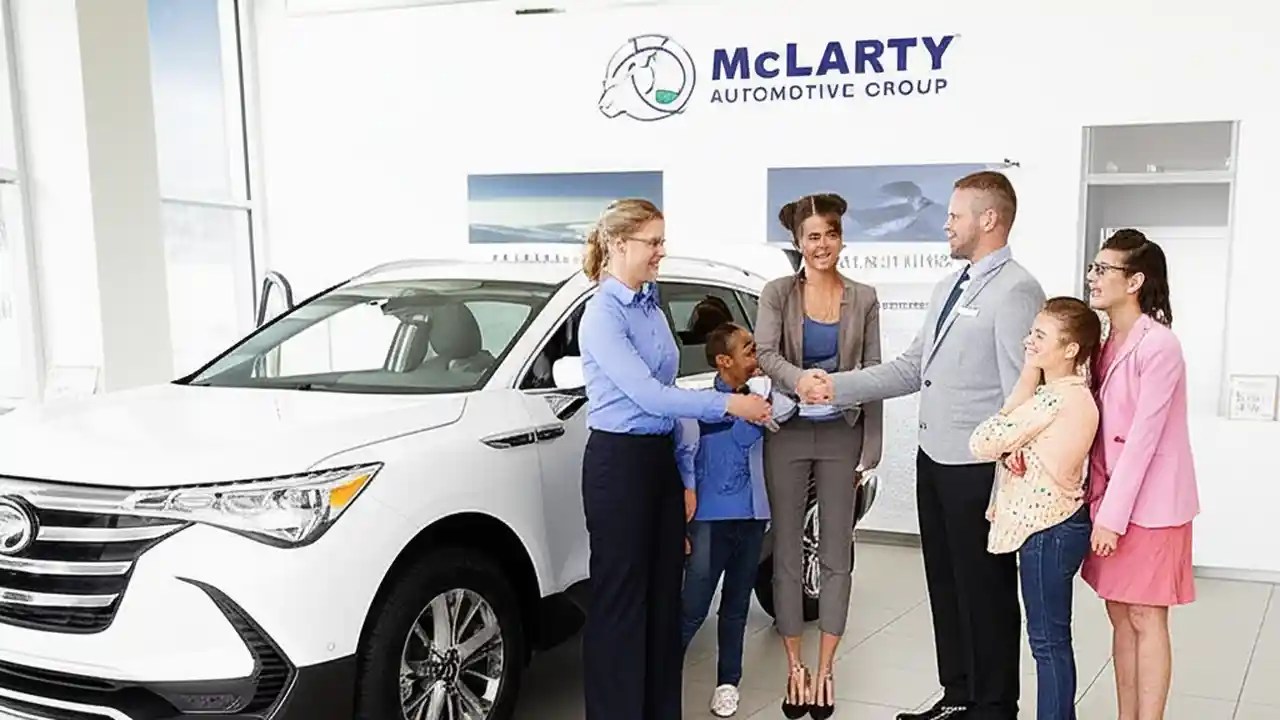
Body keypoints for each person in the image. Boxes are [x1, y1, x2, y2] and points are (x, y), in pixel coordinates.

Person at [803, 171, 1045, 720]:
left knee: (985, 592)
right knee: (946, 584)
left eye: (956, 215)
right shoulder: (949, 286)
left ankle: (993, 707)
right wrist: (836, 385)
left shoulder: (1017, 289)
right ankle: (958, 696)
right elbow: (913, 368)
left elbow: (1021, 390)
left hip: (978, 468)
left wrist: (1011, 476)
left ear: (989, 219)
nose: (946, 224)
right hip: (935, 462)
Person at [576, 198, 773, 720]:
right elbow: (652, 396)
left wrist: (685, 475)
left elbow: (668, 390)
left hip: (659, 463)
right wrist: (732, 402)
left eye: (662, 241)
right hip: (619, 465)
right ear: (618, 245)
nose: (662, 252)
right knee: (622, 605)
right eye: (653, 243)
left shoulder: (651, 303)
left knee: (665, 601)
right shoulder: (601, 314)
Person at [754, 192, 883, 719]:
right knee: (785, 554)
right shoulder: (778, 292)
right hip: (785, 433)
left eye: (830, 233)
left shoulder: (866, 297)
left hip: (841, 435)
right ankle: (794, 666)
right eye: (812, 236)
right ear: (798, 243)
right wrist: (797, 379)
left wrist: (871, 447)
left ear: (841, 238)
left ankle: (826, 667)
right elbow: (765, 353)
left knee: (836, 553)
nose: (822, 243)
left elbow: (874, 370)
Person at [1082, 229, 1198, 720]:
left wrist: (1112, 516)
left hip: (1150, 507)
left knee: (1147, 615)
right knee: (1118, 613)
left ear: (1135, 281)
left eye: (1102, 270)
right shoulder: (1105, 344)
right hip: (1107, 498)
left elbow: (1144, 440)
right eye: (1093, 267)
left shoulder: (1160, 346)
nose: (1093, 277)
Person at [970, 297, 1103, 720]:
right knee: (1051, 642)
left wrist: (1026, 377)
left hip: (1048, 532)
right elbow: (1018, 449)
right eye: (1032, 332)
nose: (1029, 341)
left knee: (1047, 644)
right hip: (1056, 529)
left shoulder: (1053, 400)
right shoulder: (1068, 397)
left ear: (1069, 349)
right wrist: (1014, 449)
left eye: (1040, 336)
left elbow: (983, 441)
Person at [675, 322, 782, 718]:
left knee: (736, 605)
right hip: (710, 520)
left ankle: (727, 683)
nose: (757, 358)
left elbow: (771, 427)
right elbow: (688, 455)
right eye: (749, 350)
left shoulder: (763, 398)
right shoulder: (702, 407)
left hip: (753, 517)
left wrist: (763, 397)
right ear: (724, 361)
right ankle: (662, 678)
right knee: (693, 606)